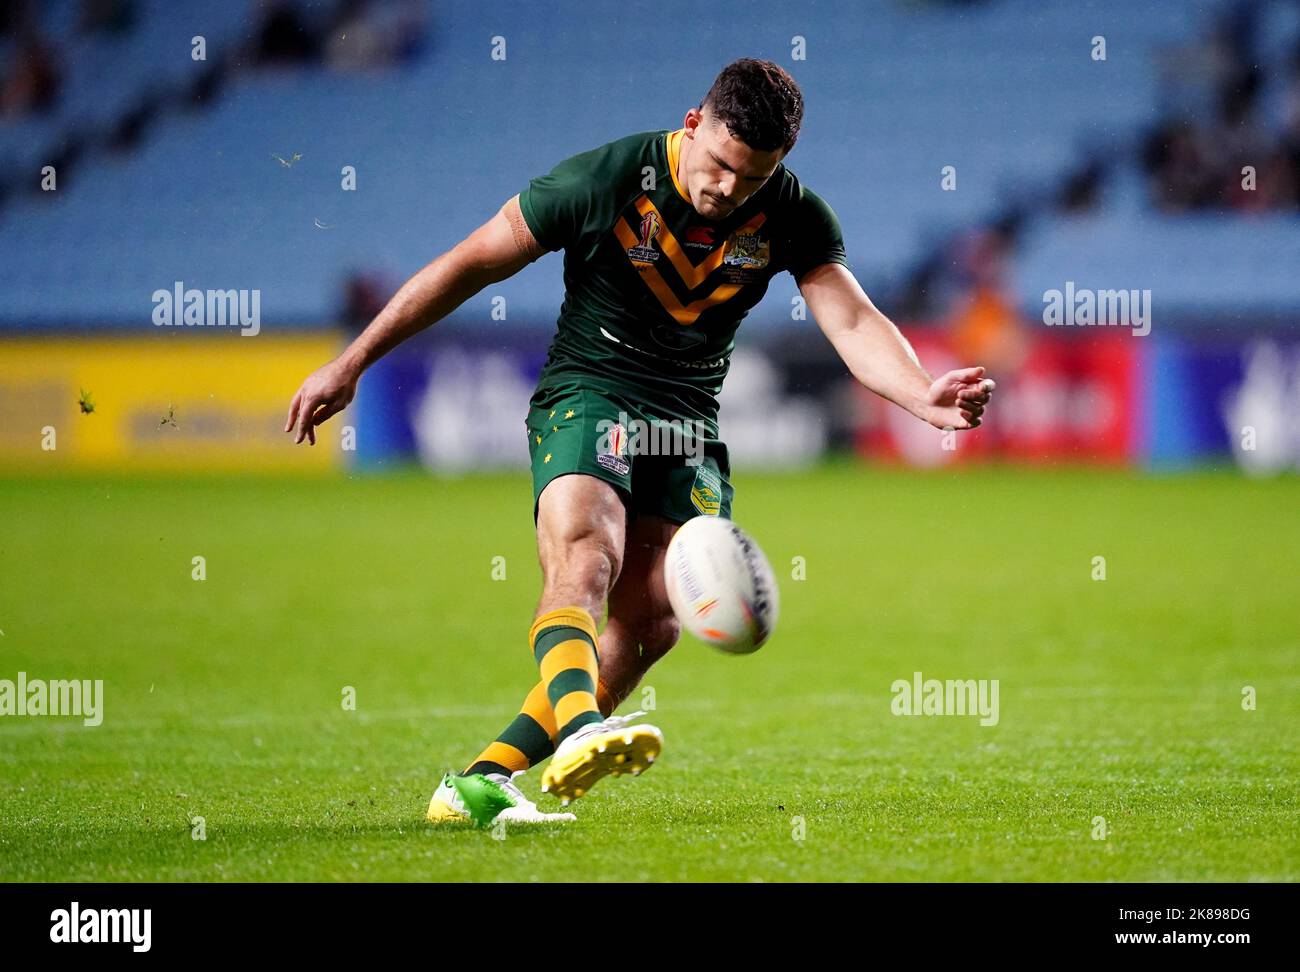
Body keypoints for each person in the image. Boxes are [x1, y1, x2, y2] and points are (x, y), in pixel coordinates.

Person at [284, 58, 995, 827]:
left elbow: (852, 320)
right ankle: (586, 729)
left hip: (687, 420)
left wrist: (921, 393)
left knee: (655, 618)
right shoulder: (607, 180)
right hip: (592, 389)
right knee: (589, 554)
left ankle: (479, 783)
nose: (728, 188)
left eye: (751, 178)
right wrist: (354, 361)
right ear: (694, 122)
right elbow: (468, 265)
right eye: (720, 164)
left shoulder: (792, 214)